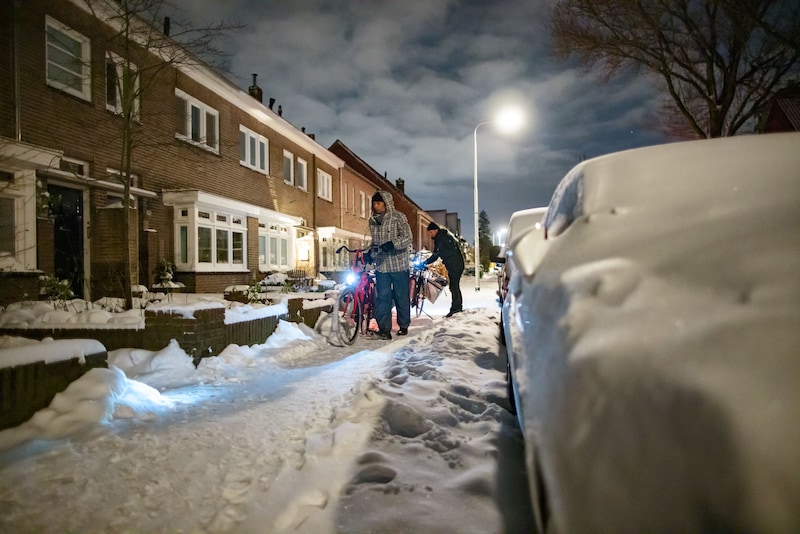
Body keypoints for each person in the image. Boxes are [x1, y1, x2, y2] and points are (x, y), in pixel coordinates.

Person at [368, 190, 413, 340]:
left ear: (386, 204)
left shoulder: (398, 217)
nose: (375, 206)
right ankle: (384, 330)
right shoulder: (372, 221)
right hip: (381, 265)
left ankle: (404, 325)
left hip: (398, 264)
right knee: (382, 298)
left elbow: (408, 237)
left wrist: (393, 244)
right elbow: (374, 242)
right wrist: (370, 253)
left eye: (378, 203)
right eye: (374, 203)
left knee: (401, 296)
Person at [425, 222, 465, 317]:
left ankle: (456, 308)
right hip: (454, 264)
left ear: (435, 230)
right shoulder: (441, 237)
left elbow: (437, 254)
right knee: (454, 287)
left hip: (455, 265)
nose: (430, 235)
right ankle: (456, 307)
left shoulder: (443, 238)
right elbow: (437, 253)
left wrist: (425, 262)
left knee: (454, 287)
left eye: (431, 232)